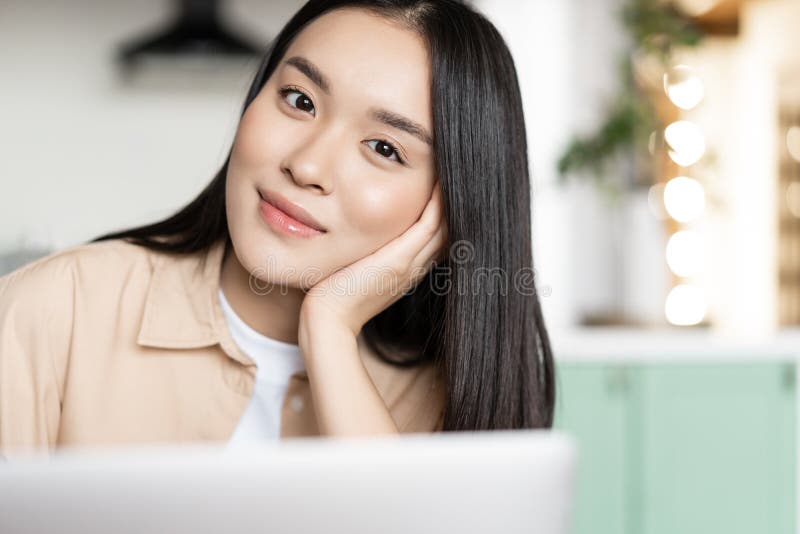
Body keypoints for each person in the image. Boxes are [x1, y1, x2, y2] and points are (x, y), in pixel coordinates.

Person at [0, 0, 554, 457]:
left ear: (450, 205)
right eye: (299, 100)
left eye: (384, 148)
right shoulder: (52, 312)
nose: (307, 166)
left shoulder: (453, 398)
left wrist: (330, 330)